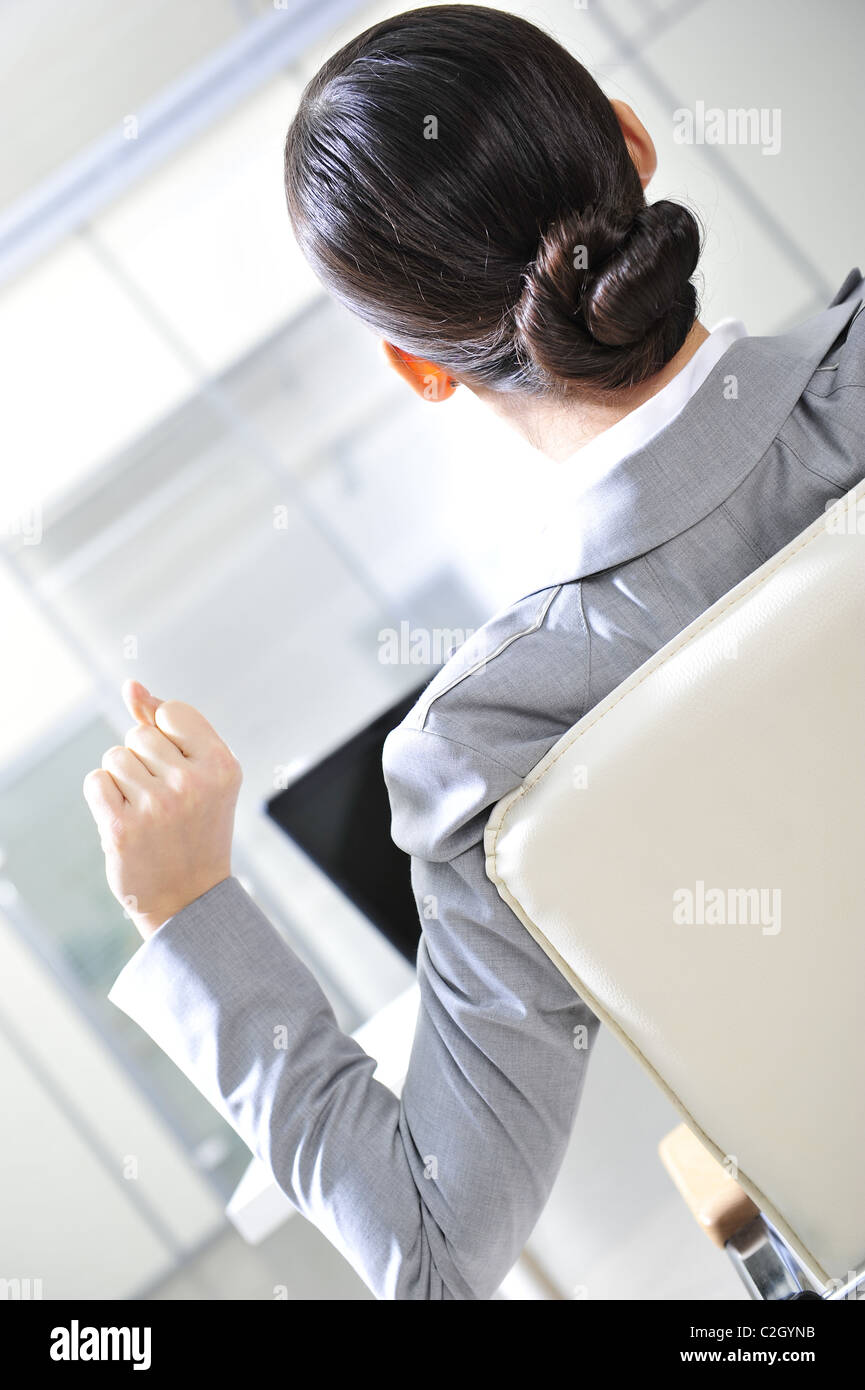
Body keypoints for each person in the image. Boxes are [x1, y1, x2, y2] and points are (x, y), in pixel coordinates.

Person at [84, 5, 865, 1299]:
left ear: (415, 367)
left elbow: (435, 1252)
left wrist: (186, 908)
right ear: (631, 141)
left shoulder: (489, 745)